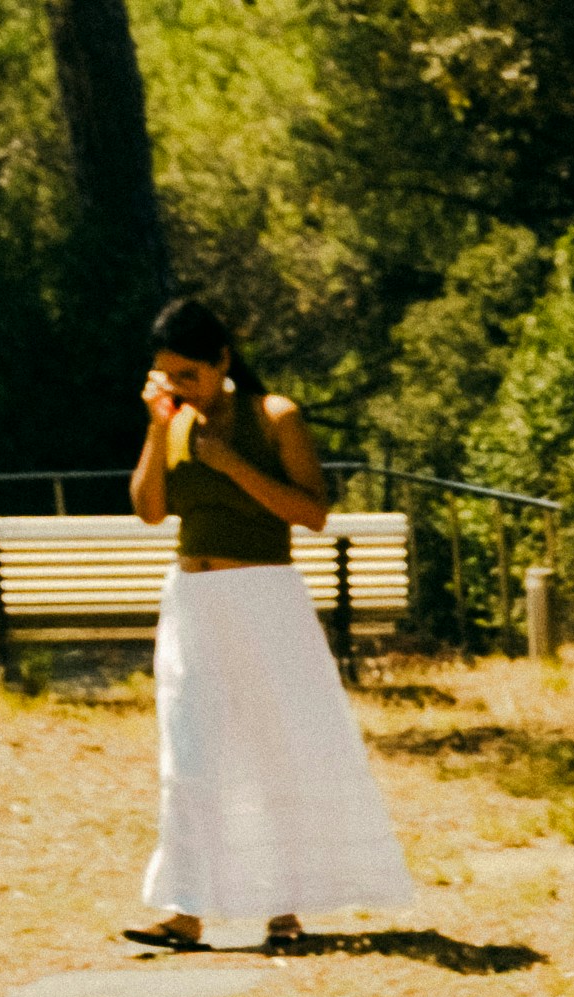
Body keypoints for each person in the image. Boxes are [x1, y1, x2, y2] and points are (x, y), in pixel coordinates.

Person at [121, 293, 419, 952]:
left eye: (190, 375)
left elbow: (311, 512)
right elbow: (148, 510)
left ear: (222, 360)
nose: (179, 388)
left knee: (275, 749)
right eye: (168, 376)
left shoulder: (274, 415)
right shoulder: (171, 423)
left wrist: (230, 462)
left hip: (262, 598)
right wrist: (153, 425)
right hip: (192, 603)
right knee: (190, 751)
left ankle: (284, 909)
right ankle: (185, 909)